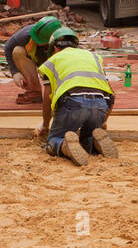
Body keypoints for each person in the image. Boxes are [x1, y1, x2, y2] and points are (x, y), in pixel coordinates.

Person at [36, 27, 117, 167]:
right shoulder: (93, 57)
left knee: (53, 140)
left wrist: (44, 124)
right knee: (85, 140)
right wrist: (104, 121)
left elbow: (47, 98)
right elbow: (111, 93)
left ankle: (63, 145)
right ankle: (93, 143)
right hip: (100, 104)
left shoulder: (52, 61)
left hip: (73, 103)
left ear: (54, 47)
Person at [4, 15, 62, 104]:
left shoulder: (64, 41)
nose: (37, 42)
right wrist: (14, 72)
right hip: (37, 57)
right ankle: (34, 92)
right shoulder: (26, 34)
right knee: (18, 51)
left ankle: (62, 93)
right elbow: (8, 47)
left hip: (54, 61)